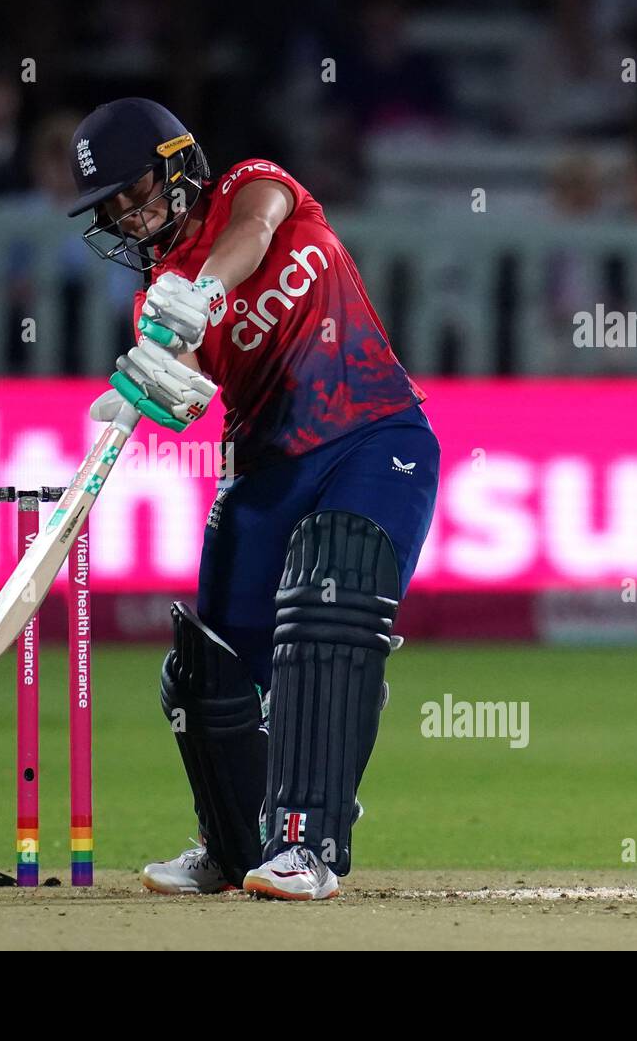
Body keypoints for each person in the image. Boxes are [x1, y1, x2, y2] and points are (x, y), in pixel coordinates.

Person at [66, 98, 439, 900]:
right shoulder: (154, 301)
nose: (131, 220)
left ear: (179, 167)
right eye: (115, 210)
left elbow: (256, 233)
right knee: (209, 668)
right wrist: (152, 380)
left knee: (325, 612)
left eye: (139, 194)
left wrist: (198, 290)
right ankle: (230, 844)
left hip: (375, 438)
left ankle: (309, 845)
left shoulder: (253, 185)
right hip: (262, 471)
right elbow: (193, 385)